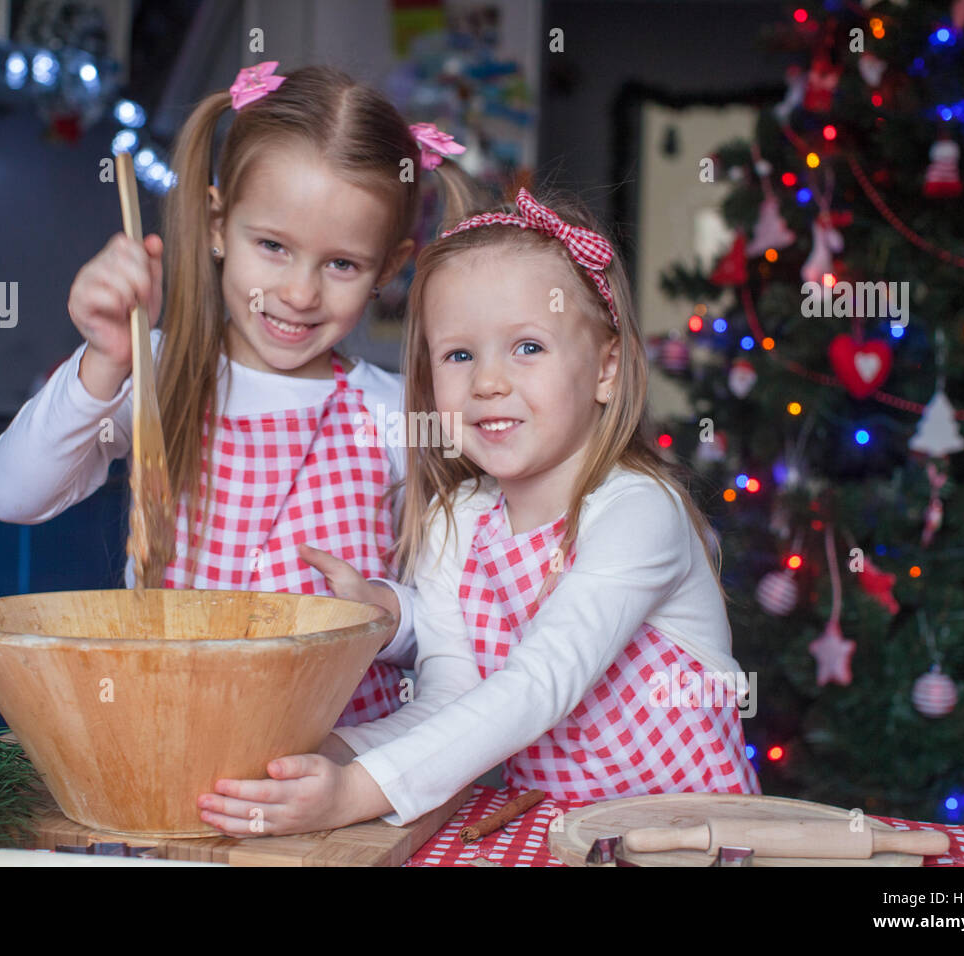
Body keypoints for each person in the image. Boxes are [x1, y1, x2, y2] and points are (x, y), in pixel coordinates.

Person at [198, 188, 761, 834]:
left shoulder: (639, 511)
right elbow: (450, 702)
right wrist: (321, 755)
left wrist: (354, 793)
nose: (488, 382)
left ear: (607, 367)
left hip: (698, 843)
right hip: (557, 839)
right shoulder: (457, 523)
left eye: (527, 347)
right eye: (459, 355)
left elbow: (540, 684)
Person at [0, 63, 478, 726]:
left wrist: (390, 613)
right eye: (272, 245)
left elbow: (460, 624)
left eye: (342, 264)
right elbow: (14, 495)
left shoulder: (398, 417)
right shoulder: (159, 371)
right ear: (218, 224)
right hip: (165, 743)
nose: (300, 293)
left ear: (388, 268)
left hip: (329, 776)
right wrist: (105, 360)